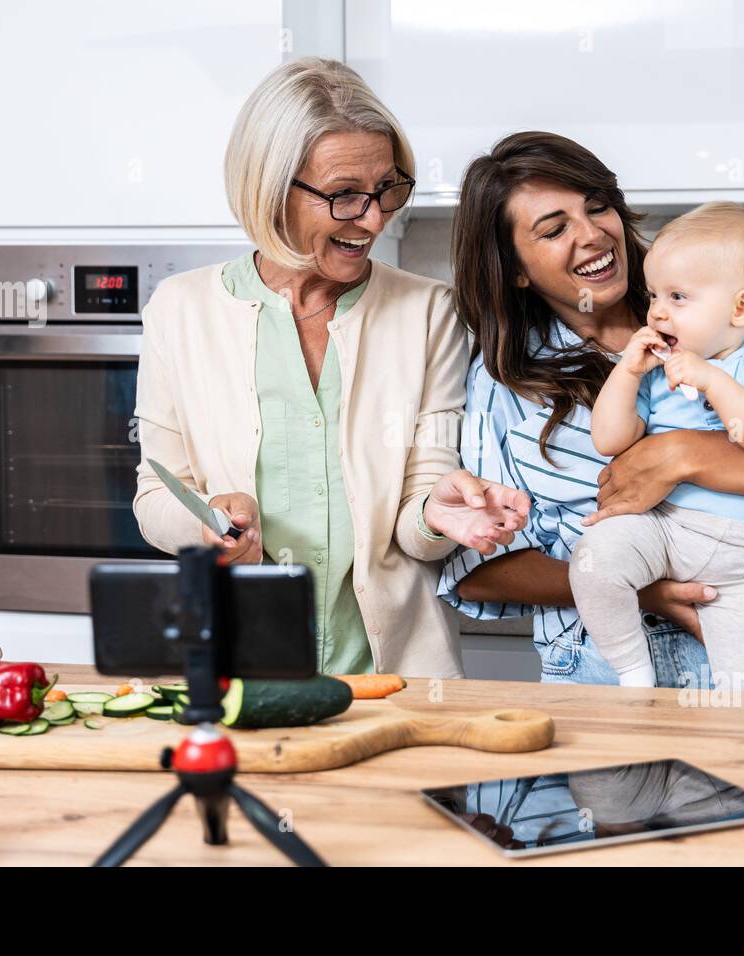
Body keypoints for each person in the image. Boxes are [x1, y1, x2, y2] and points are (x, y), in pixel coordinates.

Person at [439, 131, 744, 693]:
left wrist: (681, 455)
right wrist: (640, 587)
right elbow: (479, 572)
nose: (591, 235)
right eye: (554, 229)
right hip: (599, 663)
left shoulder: (734, 324)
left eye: (597, 206)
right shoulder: (502, 380)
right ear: (515, 268)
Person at [132, 58, 528, 678]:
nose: (373, 218)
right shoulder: (180, 310)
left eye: (388, 189)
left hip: (393, 676)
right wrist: (206, 522)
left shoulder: (429, 312)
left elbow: (417, 517)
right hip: (237, 673)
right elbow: (156, 492)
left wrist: (438, 514)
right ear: (270, 188)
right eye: (344, 194)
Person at [573, 201, 744, 691]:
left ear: (741, 308)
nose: (656, 311)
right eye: (654, 294)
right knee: (596, 558)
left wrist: (712, 381)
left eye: (678, 296)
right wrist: (628, 372)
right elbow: (610, 439)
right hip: (665, 530)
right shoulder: (665, 363)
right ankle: (632, 672)